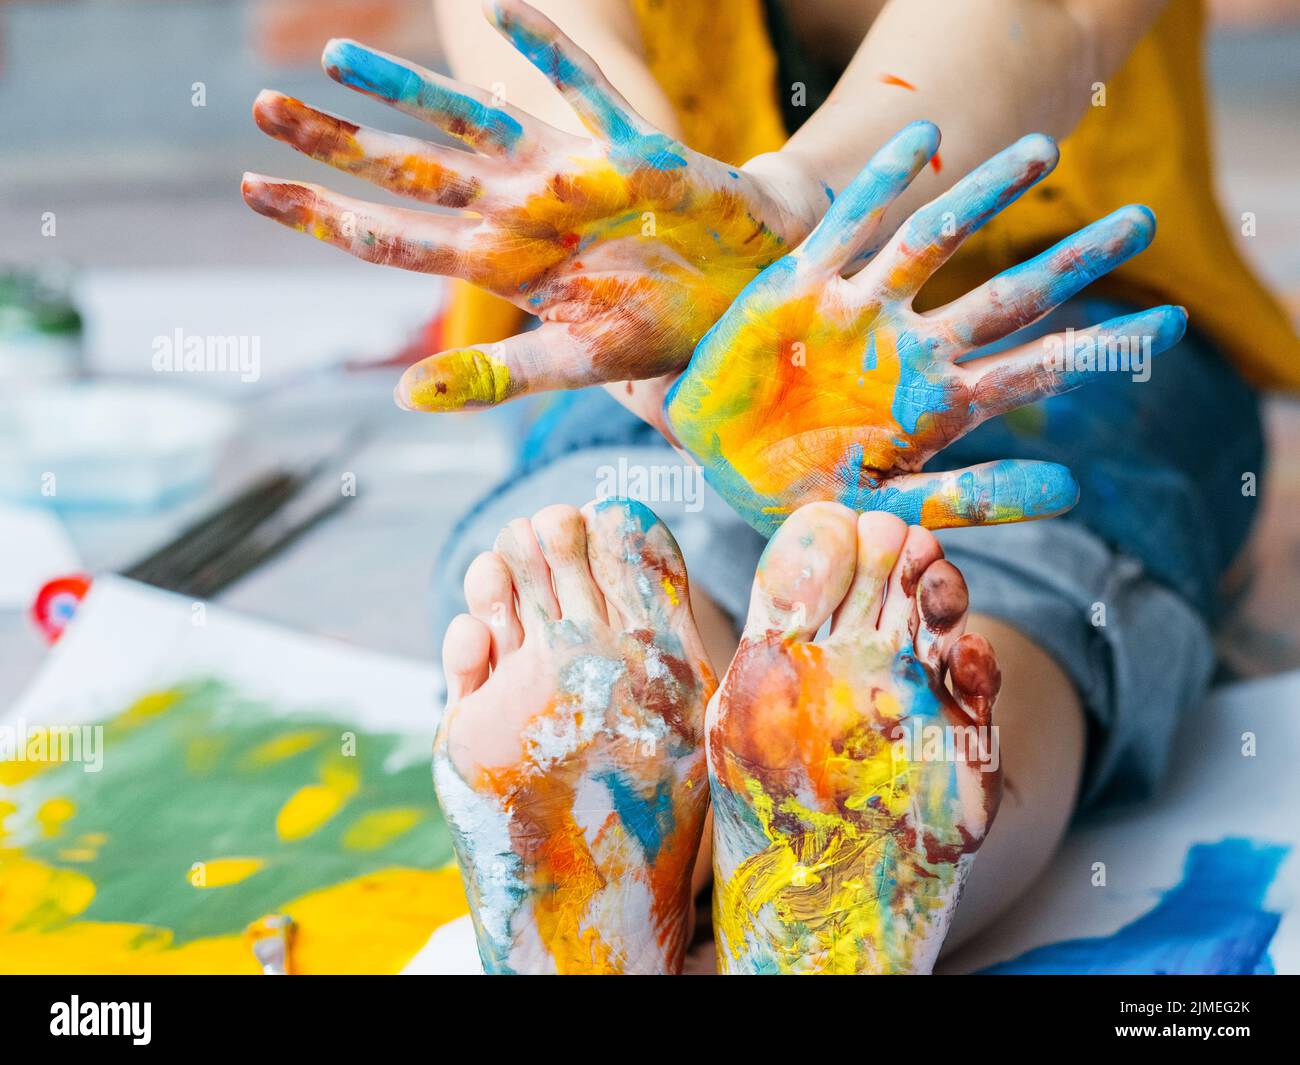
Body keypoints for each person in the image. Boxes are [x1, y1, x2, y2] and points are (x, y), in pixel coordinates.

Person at [242, 0, 1299, 972]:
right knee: (1009, 595)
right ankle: (842, 844)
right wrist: (629, 203)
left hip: (1018, 309)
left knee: (605, 533)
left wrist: (803, 205)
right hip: (672, 328)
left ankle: (637, 839)